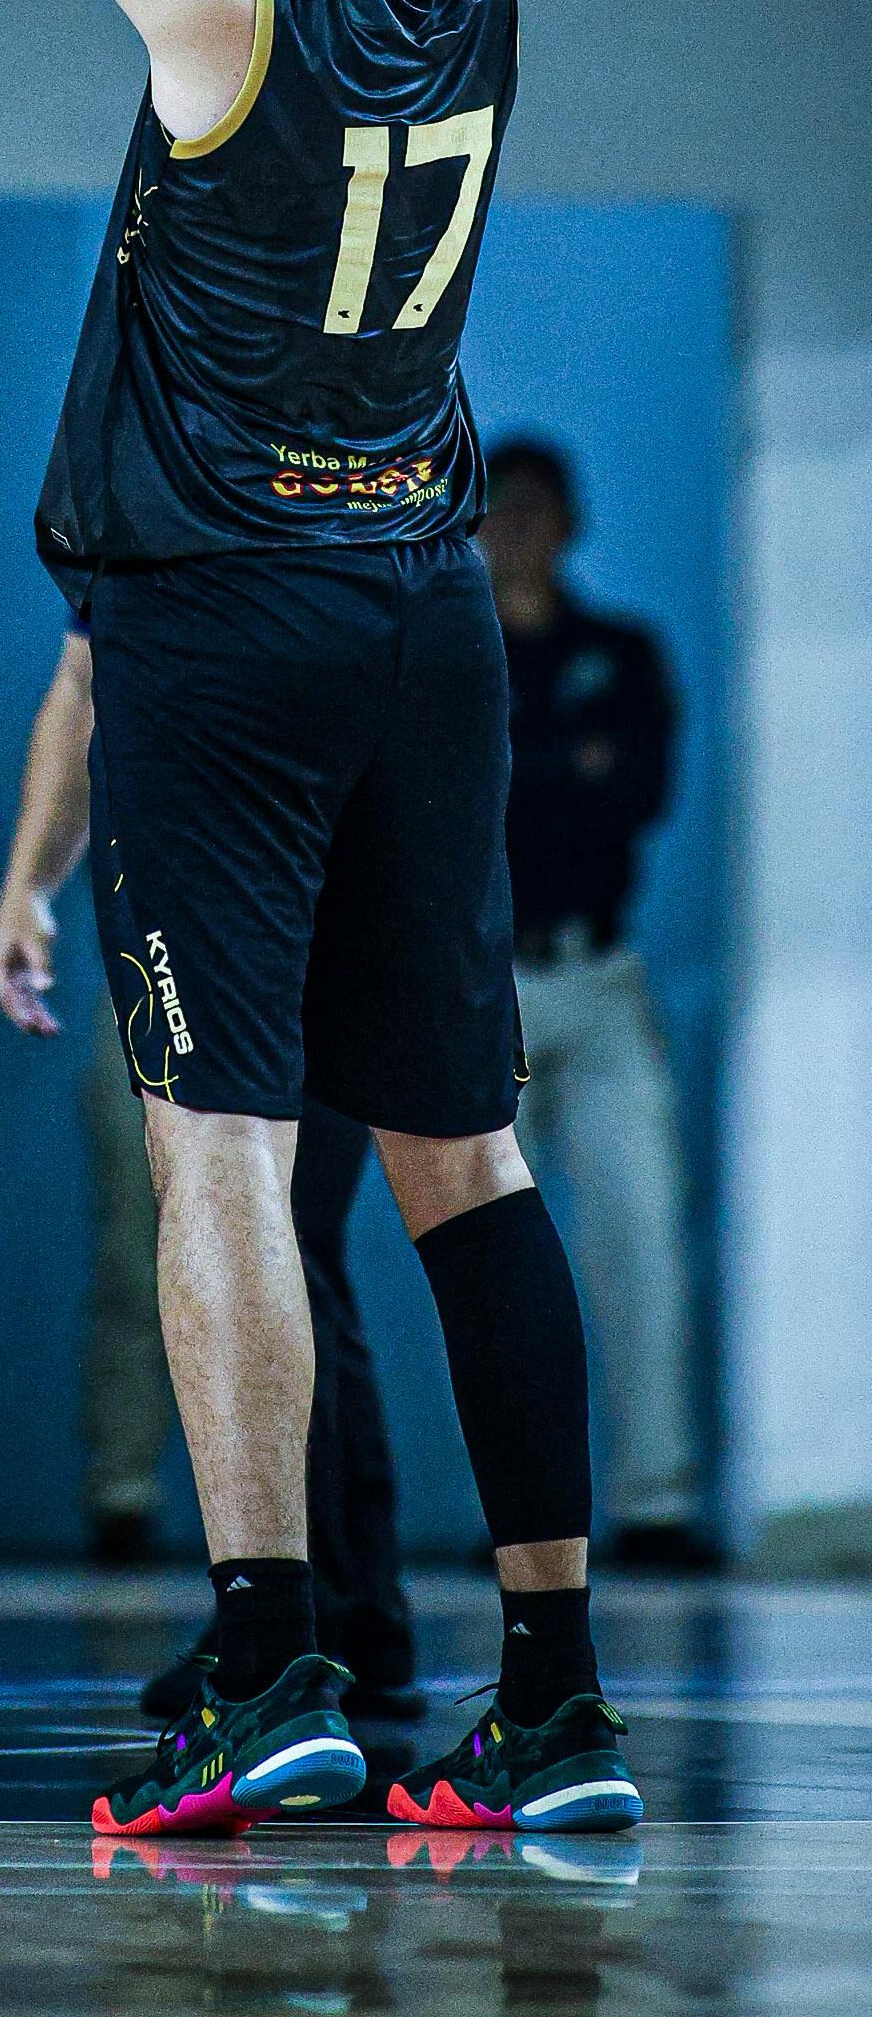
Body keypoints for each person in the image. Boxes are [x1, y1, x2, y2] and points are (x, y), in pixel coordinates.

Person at [0, 0, 640, 1843]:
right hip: (423, 608)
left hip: (224, 632)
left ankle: (272, 1668)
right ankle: (552, 1696)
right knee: (468, 1160)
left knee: (220, 1152)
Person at [0, 633, 420, 1716]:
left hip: (291, 915)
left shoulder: (315, 488)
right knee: (279, 1242)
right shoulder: (148, 490)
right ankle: (338, 1612)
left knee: (276, 1235)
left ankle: (309, 1623)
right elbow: (85, 674)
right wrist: (32, 885)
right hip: (213, 915)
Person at [482, 434, 716, 1572]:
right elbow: (456, 816)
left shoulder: (620, 653)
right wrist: (553, 780)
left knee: (642, 1234)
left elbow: (635, 798)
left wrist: (532, 787)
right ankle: (520, 1520)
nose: (516, 527)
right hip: (485, 984)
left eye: (536, 508)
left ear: (571, 524)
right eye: (499, 508)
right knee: (490, 1259)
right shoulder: (447, 652)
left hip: (600, 973)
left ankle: (657, 1500)